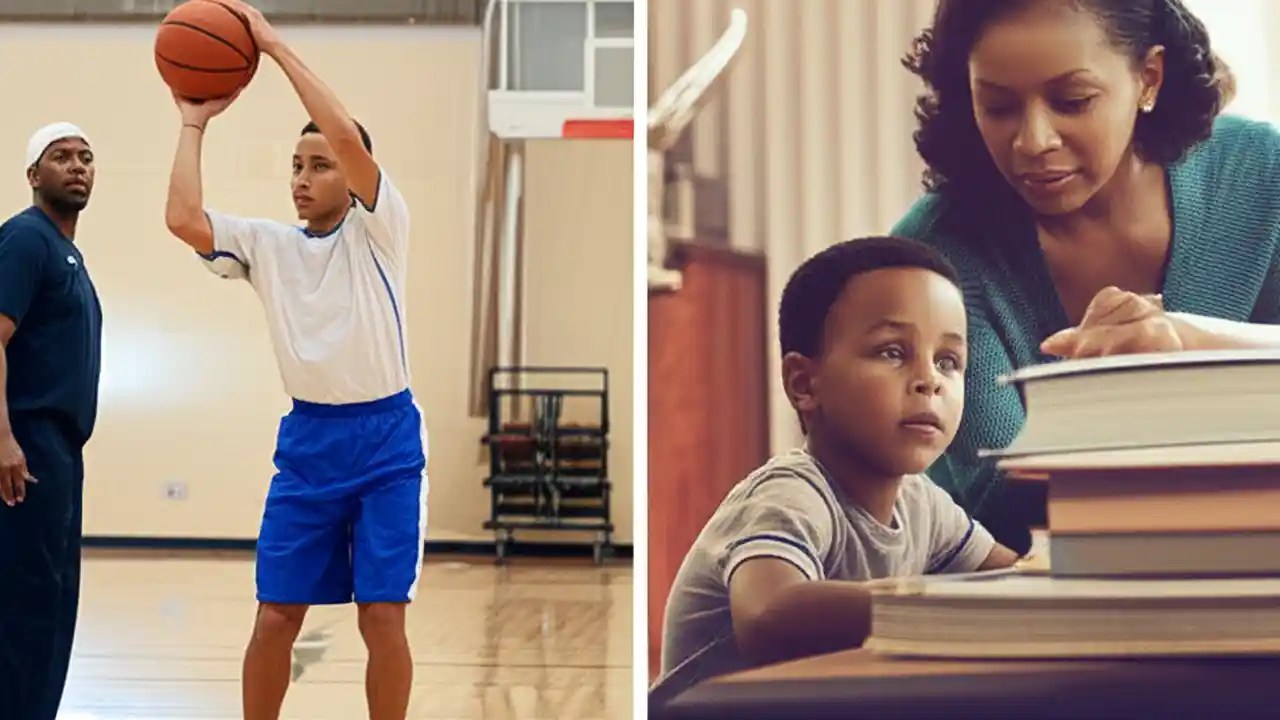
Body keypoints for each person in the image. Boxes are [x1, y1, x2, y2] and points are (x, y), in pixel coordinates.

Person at [893, 0, 1280, 554]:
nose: (1033, 141)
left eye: (1072, 101)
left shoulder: (1261, 174)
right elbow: (1011, 507)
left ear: (1149, 78)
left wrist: (1191, 340)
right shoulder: (938, 256)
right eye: (998, 106)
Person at [161, 5, 427, 719]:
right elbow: (183, 218)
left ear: (353, 171)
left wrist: (273, 47)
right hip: (309, 442)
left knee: (382, 616)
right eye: (296, 167)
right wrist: (193, 121)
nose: (302, 178)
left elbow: (343, 133)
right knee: (276, 615)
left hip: (386, 442)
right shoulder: (268, 245)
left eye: (320, 165)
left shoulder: (380, 227)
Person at [651, 237, 1019, 703]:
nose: (930, 380)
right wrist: (939, 604)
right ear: (804, 384)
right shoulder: (788, 494)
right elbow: (767, 617)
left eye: (948, 361)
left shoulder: (922, 504)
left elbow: (1014, 580)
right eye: (892, 352)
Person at [0, 122, 102, 720]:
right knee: (27, 604)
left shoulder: (67, 253)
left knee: (54, 601)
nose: (77, 165)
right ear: (34, 175)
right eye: (61, 157)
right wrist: (4, 439)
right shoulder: (25, 239)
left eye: (85, 157)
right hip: (28, 444)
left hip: (60, 449)